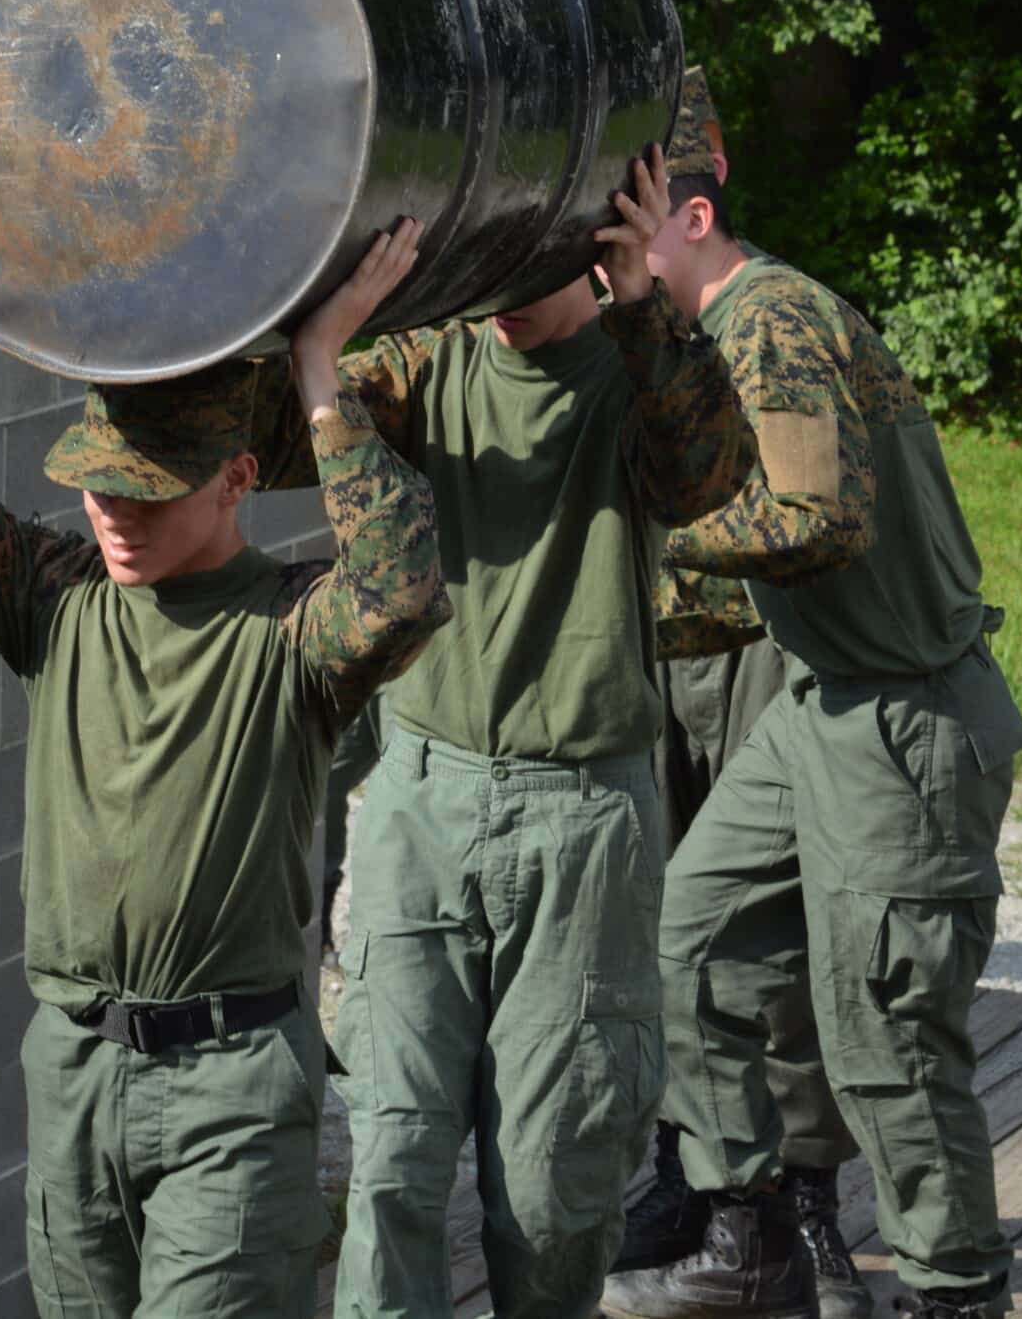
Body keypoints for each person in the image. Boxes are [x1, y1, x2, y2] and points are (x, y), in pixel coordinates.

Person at [0, 220, 452, 1319]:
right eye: (99, 485)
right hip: (71, 1073)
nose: (113, 512)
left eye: (149, 489)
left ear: (237, 480)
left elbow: (400, 584)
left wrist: (317, 371)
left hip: (231, 1088)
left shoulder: (292, 629)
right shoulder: (53, 597)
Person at [253, 143, 754, 1319]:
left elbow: (706, 476)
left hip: (582, 819)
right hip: (424, 802)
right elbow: (266, 436)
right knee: (391, 1165)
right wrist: (321, 318)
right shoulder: (425, 367)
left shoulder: (641, 372)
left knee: (552, 1185)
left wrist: (640, 305)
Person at [597, 76, 1022, 1319]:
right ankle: (747, 1233)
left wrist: (651, 541)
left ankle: (956, 1293)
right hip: (826, 707)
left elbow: (817, 520)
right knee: (697, 925)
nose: (609, 265)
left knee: (885, 1034)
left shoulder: (768, 319)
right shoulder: (714, 334)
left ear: (686, 218)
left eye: (626, 238)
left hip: (903, 721)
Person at [616, 71, 866, 1319]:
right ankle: (702, 1181)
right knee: (669, 926)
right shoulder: (635, 300)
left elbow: (808, 508)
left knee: (779, 941)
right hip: (652, 652)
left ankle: (803, 1204)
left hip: (753, 649)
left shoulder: (764, 314)